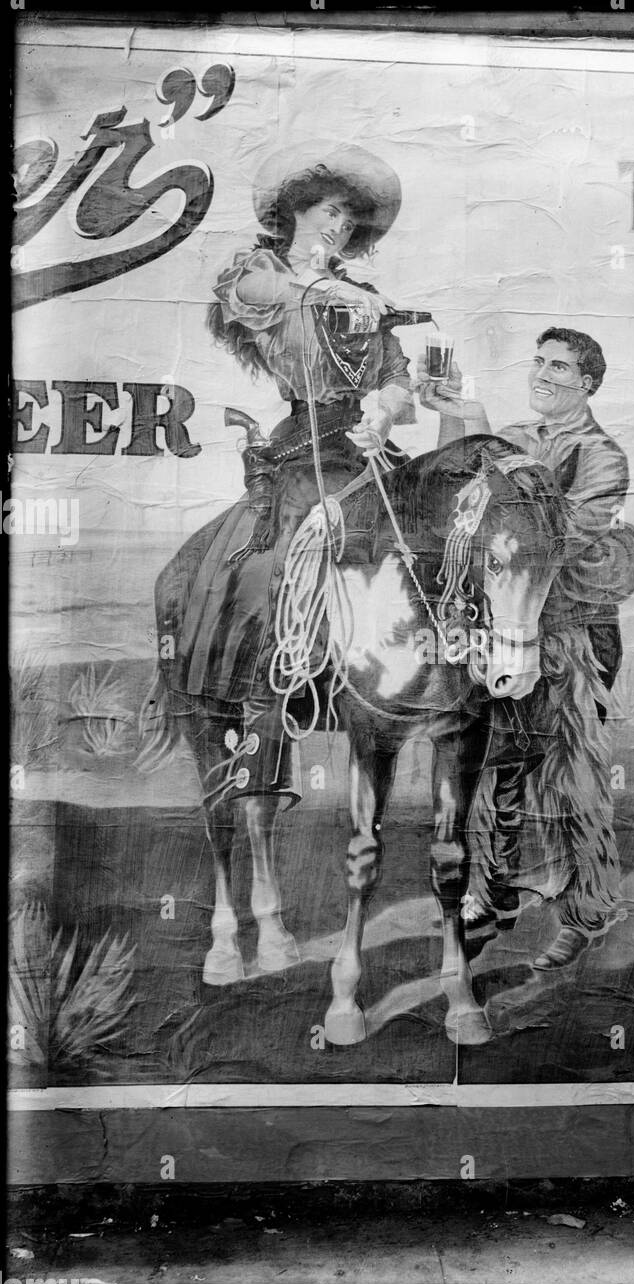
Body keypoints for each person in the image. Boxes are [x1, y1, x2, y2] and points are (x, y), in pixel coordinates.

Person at [155, 145, 416, 805]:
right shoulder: (261, 272)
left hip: (361, 446)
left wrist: (383, 419)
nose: (340, 227)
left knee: (435, 542)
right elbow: (247, 295)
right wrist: (325, 287)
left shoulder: (364, 299)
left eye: (351, 220)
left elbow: (395, 380)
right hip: (302, 442)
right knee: (280, 550)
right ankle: (271, 684)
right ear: (297, 210)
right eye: (331, 210)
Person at [417, 328, 634, 968]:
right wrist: (461, 418)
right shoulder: (512, 438)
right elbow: (460, 500)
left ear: (588, 384)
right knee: (491, 765)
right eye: (539, 361)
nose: (543, 373)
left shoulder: (602, 455)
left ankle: (587, 911)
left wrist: (502, 484)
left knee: (573, 774)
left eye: (561, 367)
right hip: (505, 627)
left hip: (571, 630)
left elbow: (558, 532)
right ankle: (490, 893)